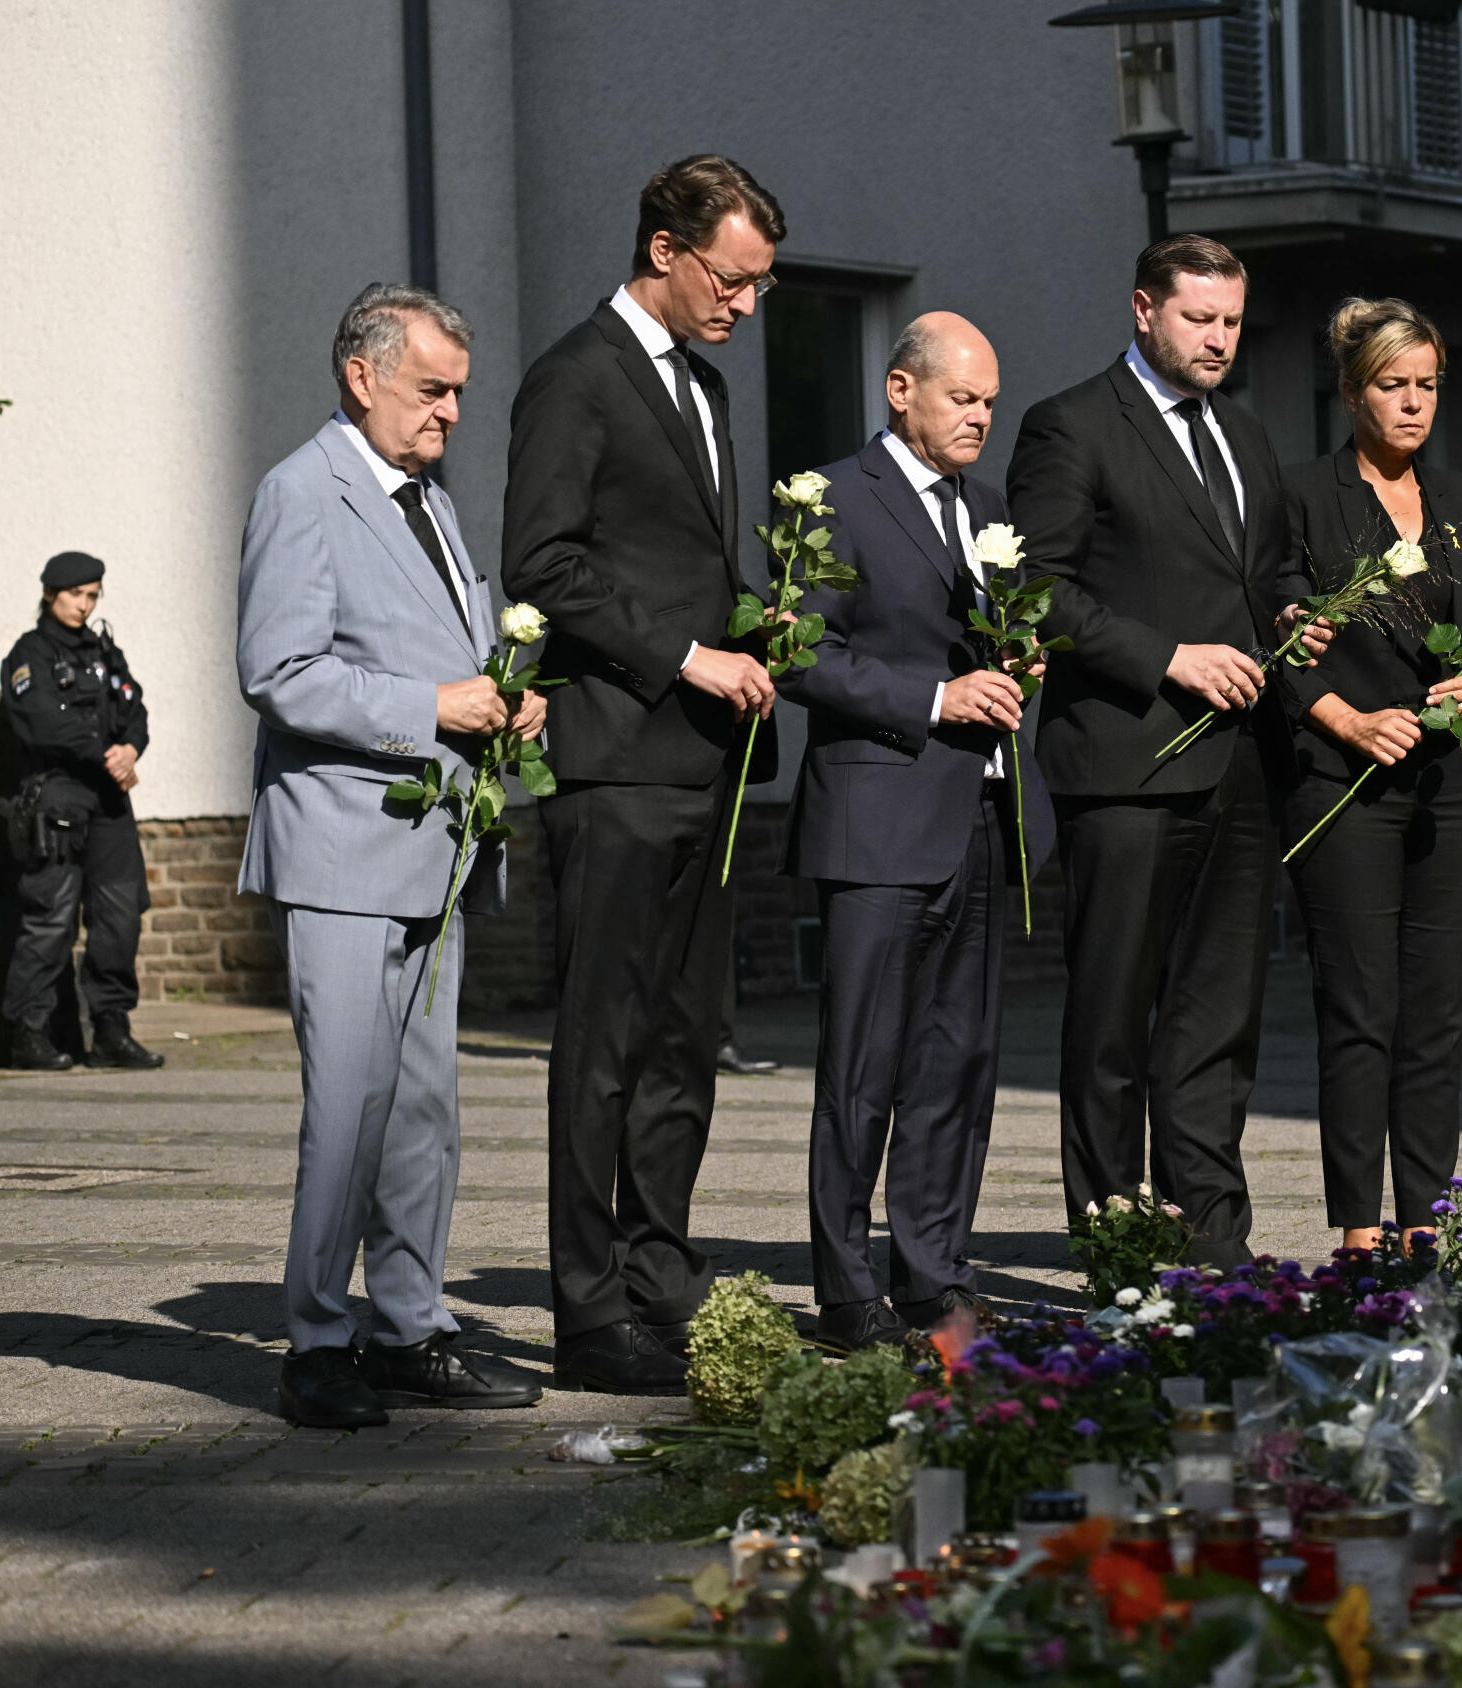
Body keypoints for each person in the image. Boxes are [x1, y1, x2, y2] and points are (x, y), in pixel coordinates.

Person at [237, 282, 546, 1429]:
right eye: (432, 389)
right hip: (342, 848)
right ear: (362, 375)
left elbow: (449, 649)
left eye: (460, 392)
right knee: (352, 1103)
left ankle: (411, 1327)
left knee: (424, 1108)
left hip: (435, 845)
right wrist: (436, 704)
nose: (451, 412)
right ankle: (315, 1340)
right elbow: (279, 670)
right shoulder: (301, 492)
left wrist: (503, 701)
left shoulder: (427, 498)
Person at [503, 155, 782, 1395]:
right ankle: (586, 1305)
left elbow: (679, 558)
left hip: (704, 760)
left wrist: (754, 632)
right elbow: (542, 561)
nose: (747, 303)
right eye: (733, 278)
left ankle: (660, 1267)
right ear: (665, 252)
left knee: (683, 1035)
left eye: (762, 283)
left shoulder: (705, 386)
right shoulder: (574, 378)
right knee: (604, 1040)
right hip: (616, 753)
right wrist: (685, 655)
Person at [1007, 235, 1326, 1269]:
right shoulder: (1070, 426)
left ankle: (1213, 1238)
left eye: (1232, 321)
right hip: (1125, 763)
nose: (1219, 340)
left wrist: (1288, 614)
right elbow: (1038, 592)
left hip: (1239, 766)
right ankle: (1119, 1249)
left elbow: (1265, 564)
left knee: (1216, 1018)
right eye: (1199, 319)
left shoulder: (1242, 431)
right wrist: (1168, 659)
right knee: (1111, 1024)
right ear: (1143, 310)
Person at [778, 312, 1054, 1353]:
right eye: (961, 397)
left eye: (989, 400)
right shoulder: (829, 498)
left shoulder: (989, 512)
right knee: (862, 1066)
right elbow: (803, 655)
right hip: (878, 820)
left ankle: (932, 1268)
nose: (981, 415)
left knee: (956, 1062)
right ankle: (846, 1284)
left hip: (976, 820)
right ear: (900, 390)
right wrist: (938, 699)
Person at [1276, 297, 1462, 1252]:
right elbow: (1282, 633)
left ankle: (1425, 1220)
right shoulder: (1301, 494)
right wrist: (1341, 718)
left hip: (1458, 786)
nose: (1412, 405)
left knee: (1436, 1011)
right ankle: (1356, 1227)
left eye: (1426, 386)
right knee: (1359, 1006)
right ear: (1350, 392)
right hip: (1344, 781)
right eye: (1391, 386)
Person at [0, 551, 159, 1071]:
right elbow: (41, 723)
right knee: (51, 919)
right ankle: (29, 1033)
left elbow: (135, 707)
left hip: (109, 801)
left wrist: (130, 748)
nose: (84, 606)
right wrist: (106, 754)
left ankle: (111, 1030)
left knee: (119, 917)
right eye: (75, 595)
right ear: (50, 593)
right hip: (58, 798)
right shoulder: (31, 653)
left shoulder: (103, 651)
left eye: (92, 596)